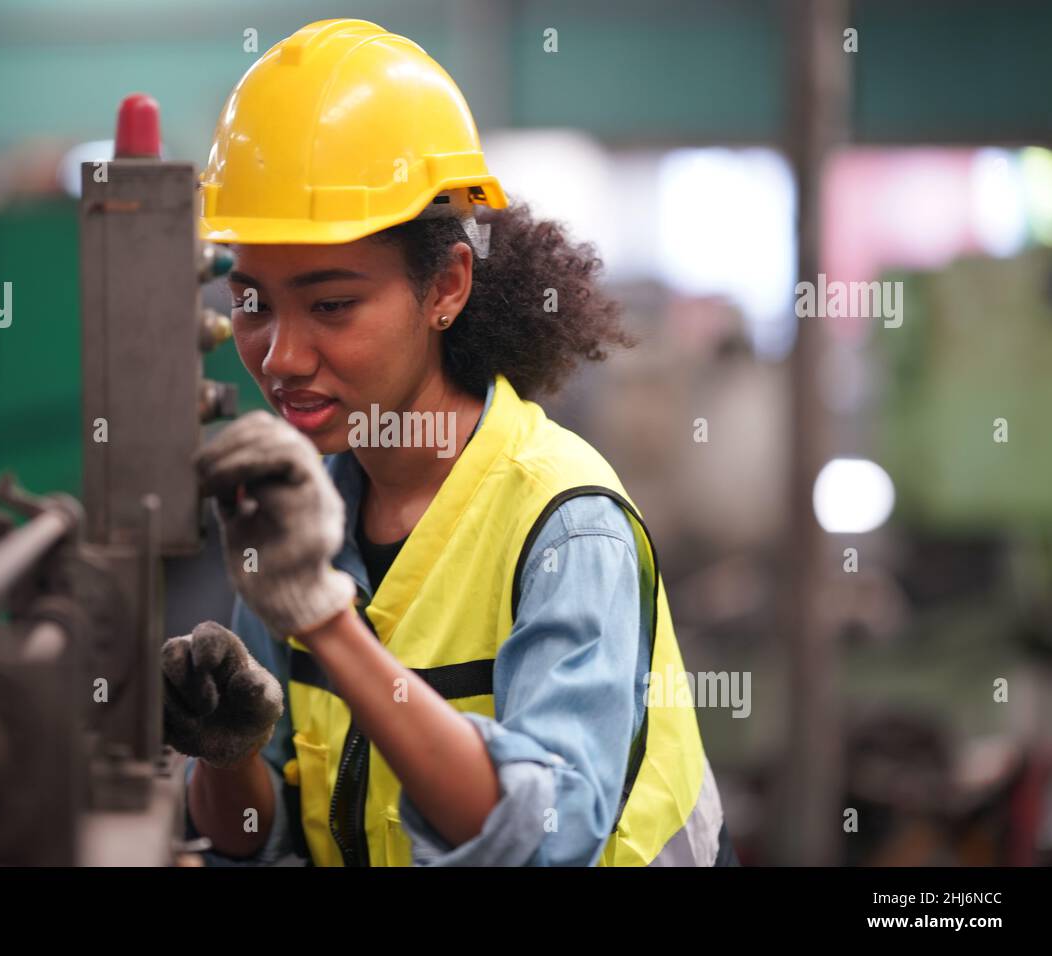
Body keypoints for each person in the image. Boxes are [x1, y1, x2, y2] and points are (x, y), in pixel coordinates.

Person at [162, 17, 736, 867]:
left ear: (446, 286)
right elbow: (261, 835)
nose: (279, 357)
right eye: (252, 303)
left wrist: (324, 620)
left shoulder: (564, 526)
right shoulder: (299, 509)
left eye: (329, 306)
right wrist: (229, 752)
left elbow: (547, 839)